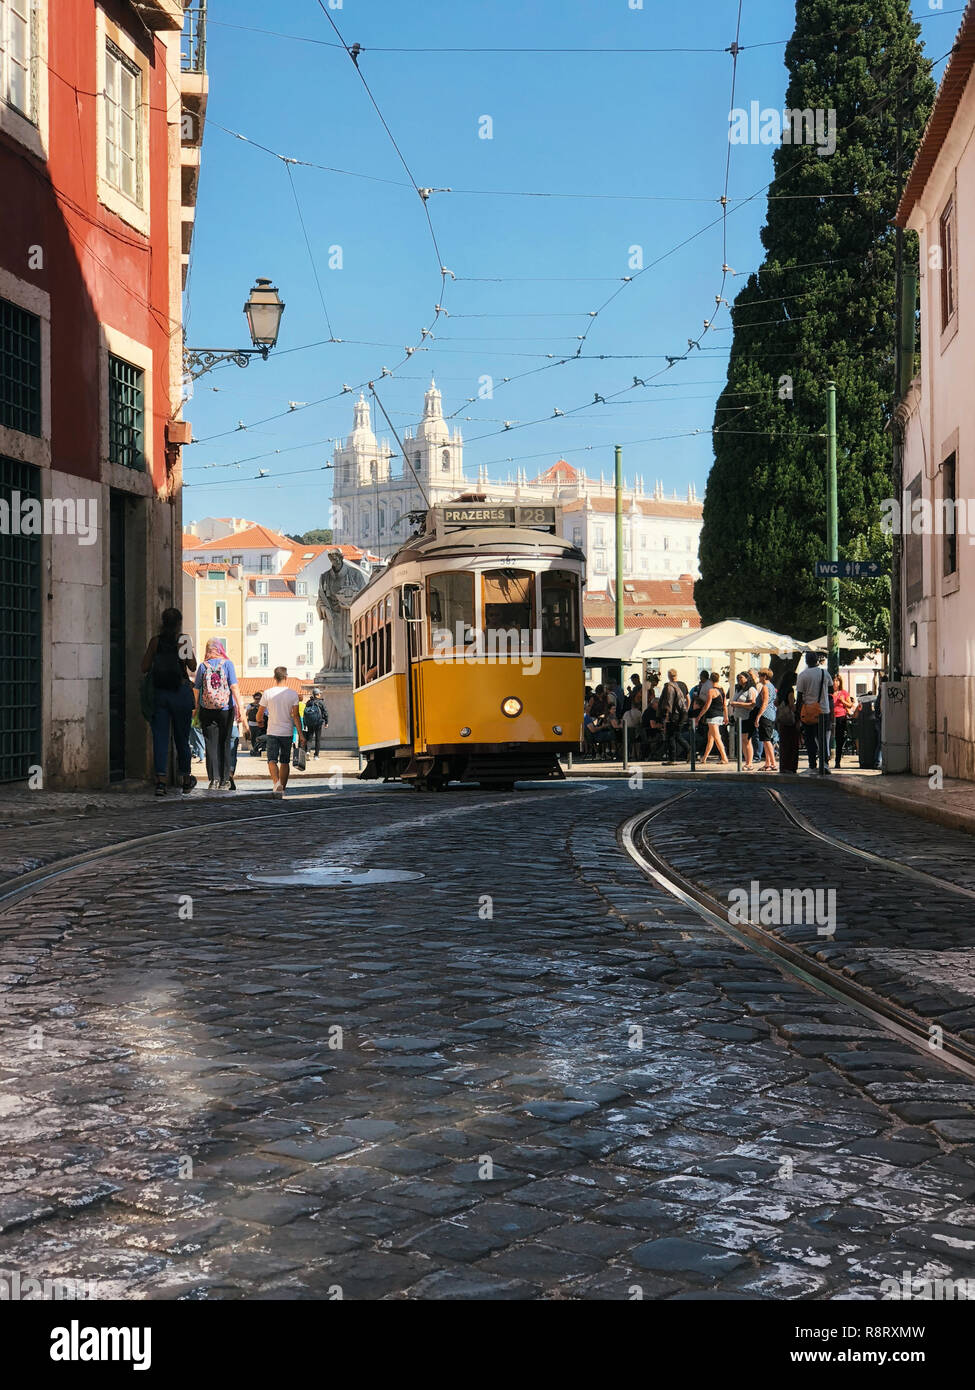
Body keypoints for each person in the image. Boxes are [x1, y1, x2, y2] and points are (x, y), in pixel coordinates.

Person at [141, 608, 197, 797]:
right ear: (179, 623)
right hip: (180, 692)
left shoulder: (156, 641)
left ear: (163, 622)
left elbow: (144, 666)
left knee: (160, 738)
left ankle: (161, 782)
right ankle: (186, 779)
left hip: (161, 694)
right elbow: (192, 666)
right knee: (182, 738)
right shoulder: (183, 640)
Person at [194, 639, 244, 791]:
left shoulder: (203, 666)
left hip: (207, 709)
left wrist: (196, 708)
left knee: (210, 744)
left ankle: (213, 779)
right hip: (225, 709)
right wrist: (240, 708)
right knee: (224, 742)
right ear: (220, 649)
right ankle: (224, 780)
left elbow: (196, 689)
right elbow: (234, 687)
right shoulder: (227, 664)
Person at [258, 668, 305, 798]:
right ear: (286, 677)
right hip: (287, 732)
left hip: (272, 731)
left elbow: (259, 715)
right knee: (285, 761)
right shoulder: (293, 694)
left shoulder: (267, 693)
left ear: (275, 677)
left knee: (271, 760)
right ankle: (282, 789)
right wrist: (301, 735)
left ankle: (276, 783)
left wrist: (260, 721)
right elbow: (296, 716)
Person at [796, 652, 833, 773]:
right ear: (817, 660)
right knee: (822, 739)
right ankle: (825, 763)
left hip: (808, 712)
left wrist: (797, 713)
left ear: (806, 661)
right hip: (823, 710)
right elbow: (831, 688)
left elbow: (800, 695)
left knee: (810, 739)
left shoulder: (803, 675)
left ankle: (812, 764)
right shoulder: (824, 673)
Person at [657, 668, 689, 764]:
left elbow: (668, 702)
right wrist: (686, 709)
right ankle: (688, 750)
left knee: (671, 736)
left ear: (669, 676)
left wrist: (666, 715)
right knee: (677, 735)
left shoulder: (669, 686)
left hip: (673, 714)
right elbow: (688, 698)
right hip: (682, 713)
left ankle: (672, 759)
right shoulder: (683, 685)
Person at [729, 670, 758, 769]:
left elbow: (752, 704)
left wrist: (737, 704)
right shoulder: (738, 689)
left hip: (747, 717)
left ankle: (749, 762)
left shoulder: (751, 690)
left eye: (741, 677)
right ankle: (746, 761)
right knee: (742, 740)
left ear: (747, 678)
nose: (739, 680)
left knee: (747, 740)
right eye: (738, 678)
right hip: (739, 718)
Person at [698, 673, 730, 765]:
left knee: (717, 737)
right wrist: (726, 716)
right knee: (710, 738)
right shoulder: (722, 690)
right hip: (720, 715)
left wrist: (699, 716)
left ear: (710, 680)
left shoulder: (711, 691)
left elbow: (707, 706)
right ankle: (704, 758)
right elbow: (724, 705)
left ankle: (724, 757)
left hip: (712, 716)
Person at [775, 670, 801, 774]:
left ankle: (783, 766)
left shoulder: (781, 690)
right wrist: (797, 712)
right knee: (791, 744)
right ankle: (790, 767)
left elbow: (775, 702)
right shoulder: (790, 690)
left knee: (783, 744)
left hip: (782, 719)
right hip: (790, 720)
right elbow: (791, 705)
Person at [832, 673, 857, 769]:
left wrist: (843, 701)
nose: (835, 683)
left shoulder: (844, 693)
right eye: (834, 680)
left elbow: (850, 705)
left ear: (840, 682)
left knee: (839, 739)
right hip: (831, 718)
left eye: (837, 680)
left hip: (841, 717)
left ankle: (837, 761)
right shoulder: (829, 693)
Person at [303, 687, 329, 758]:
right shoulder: (321, 702)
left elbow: (305, 713)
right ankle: (316, 755)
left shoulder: (309, 702)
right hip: (318, 722)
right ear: (317, 694)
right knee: (318, 739)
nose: (320, 694)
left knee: (309, 737)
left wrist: (305, 724)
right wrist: (326, 722)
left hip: (310, 722)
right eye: (319, 693)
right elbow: (325, 712)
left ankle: (308, 751)